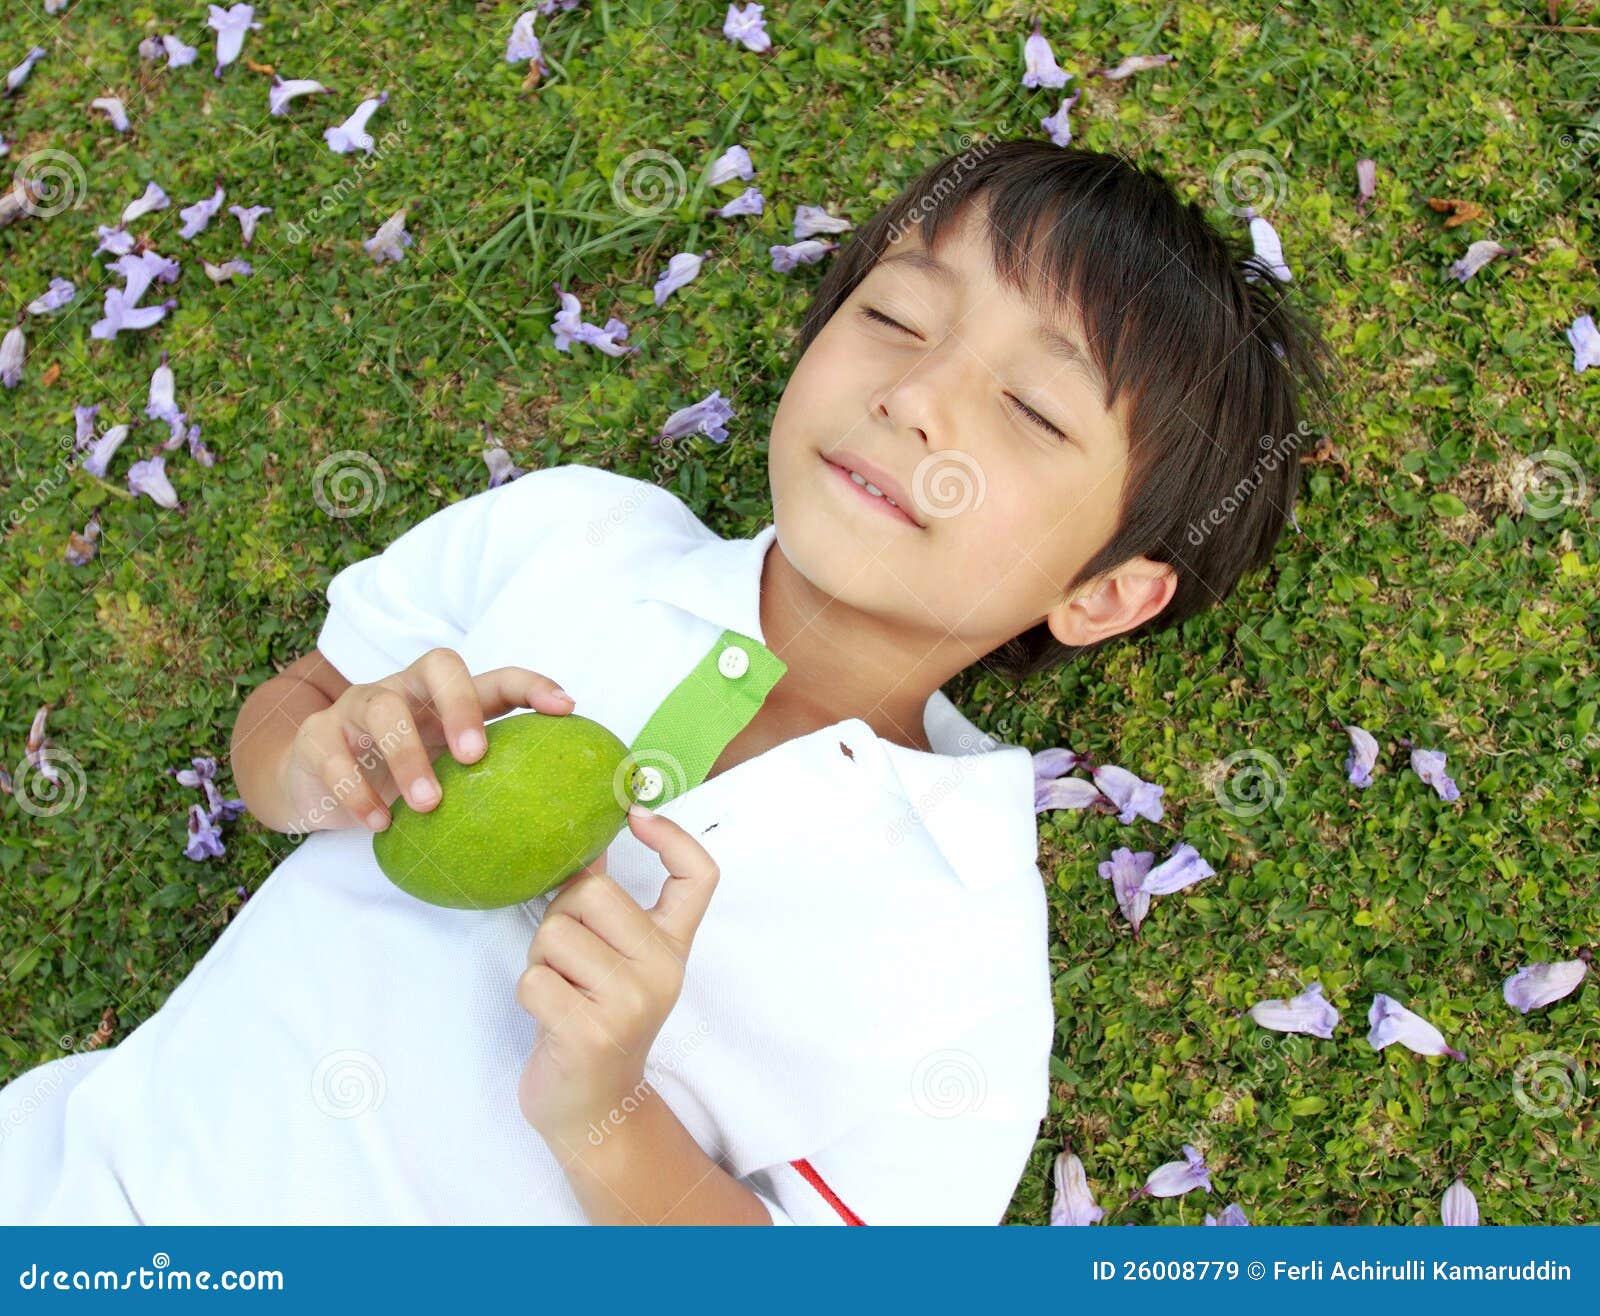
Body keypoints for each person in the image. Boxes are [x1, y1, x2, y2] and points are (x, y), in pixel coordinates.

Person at [0, 139, 1331, 1225]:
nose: (915, 400)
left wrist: (606, 1115)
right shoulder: (573, 532)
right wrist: (313, 762)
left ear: (1102, 591)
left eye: (1032, 412)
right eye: (895, 318)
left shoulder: (956, 953)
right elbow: (296, 703)